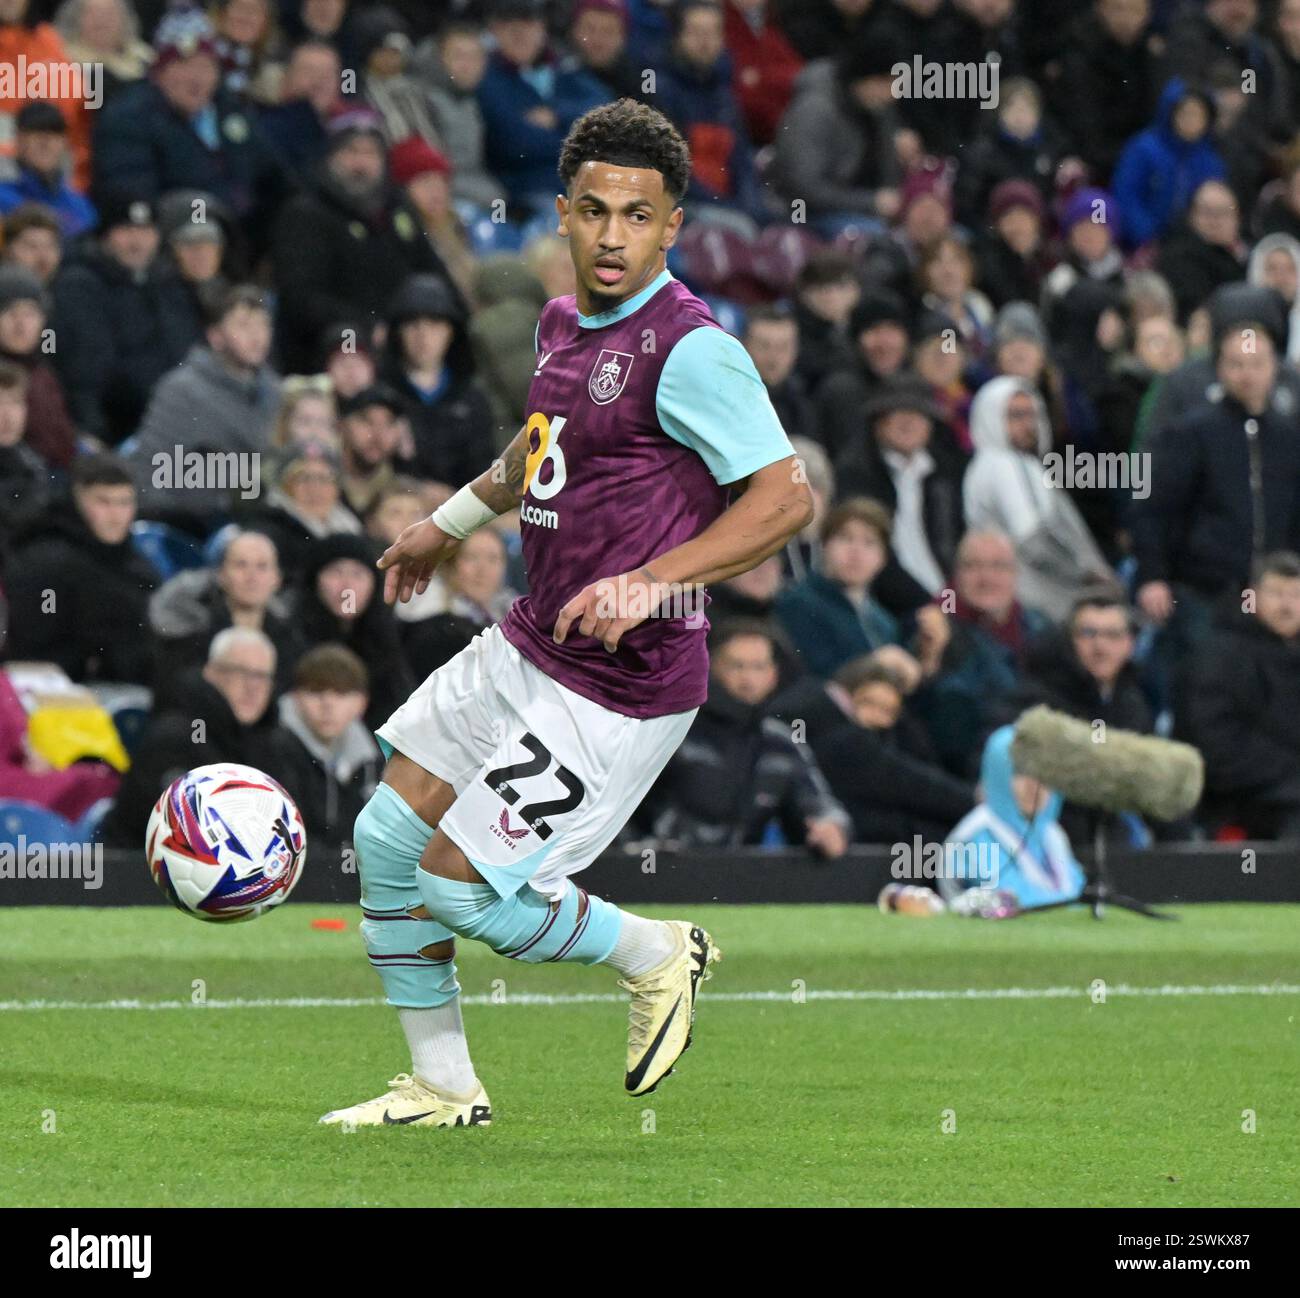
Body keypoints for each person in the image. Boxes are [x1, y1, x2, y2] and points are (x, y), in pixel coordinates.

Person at [320, 99, 812, 1129]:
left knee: (458, 887)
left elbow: (784, 498)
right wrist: (445, 523)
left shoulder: (693, 349)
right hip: (529, 637)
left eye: (637, 215)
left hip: (622, 683)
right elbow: (537, 451)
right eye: (592, 211)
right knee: (384, 839)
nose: (611, 236)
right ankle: (442, 1084)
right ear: (561, 213)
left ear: (673, 223)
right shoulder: (558, 325)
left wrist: (653, 579)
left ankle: (653, 951)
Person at [1132, 321, 1300, 659]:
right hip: (1205, 591)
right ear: (1219, 368)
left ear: (1273, 369)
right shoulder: (1191, 433)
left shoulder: (1289, 438)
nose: (1246, 374)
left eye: (1256, 364)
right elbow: (1154, 506)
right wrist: (1153, 574)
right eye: (1236, 364)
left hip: (1277, 592)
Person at [643, 620, 850, 852]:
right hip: (662, 874)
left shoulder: (781, 742)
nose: (748, 679)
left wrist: (831, 828)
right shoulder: (676, 731)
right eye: (737, 666)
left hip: (742, 878)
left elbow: (818, 804)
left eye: (758, 667)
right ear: (710, 667)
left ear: (773, 675)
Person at [271, 104, 448, 374]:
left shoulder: (396, 209)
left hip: (408, 344)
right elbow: (301, 299)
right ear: (331, 157)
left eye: (370, 153)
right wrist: (370, 327)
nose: (361, 163)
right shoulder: (305, 214)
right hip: (335, 352)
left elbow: (432, 272)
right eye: (351, 151)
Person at [98, 626, 279, 848]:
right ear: (211, 673)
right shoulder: (175, 739)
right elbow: (174, 833)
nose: (253, 687)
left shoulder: (275, 744)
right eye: (240, 672)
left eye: (262, 676)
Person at [47, 192, 201, 444]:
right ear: (106, 235)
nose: (137, 242)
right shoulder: (80, 285)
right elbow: (85, 374)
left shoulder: (169, 282)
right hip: (119, 432)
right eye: (126, 230)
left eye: (145, 231)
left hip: (180, 423)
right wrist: (95, 434)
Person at [963, 375, 1115, 623]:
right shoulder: (1001, 463)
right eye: (1015, 415)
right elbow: (1032, 541)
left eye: (1031, 414)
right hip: (1031, 602)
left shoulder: (1025, 464)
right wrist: (1089, 575)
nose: (1028, 424)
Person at [126, 285, 281, 524]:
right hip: (198, 524)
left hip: (263, 519)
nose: (257, 335)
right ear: (215, 336)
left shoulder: (275, 390)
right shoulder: (182, 390)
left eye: (263, 325)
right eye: (244, 325)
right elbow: (149, 473)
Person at [3, 454, 160, 685]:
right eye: (103, 502)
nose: (115, 516)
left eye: (124, 502)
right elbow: (30, 647)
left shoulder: (138, 566)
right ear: (78, 498)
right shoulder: (44, 561)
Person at [1180, 551, 1300, 838]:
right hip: (1239, 802)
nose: (1286, 605)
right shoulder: (1218, 655)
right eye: (1275, 593)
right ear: (1251, 597)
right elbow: (1216, 746)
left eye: (1296, 595)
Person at [833, 376, 966, 597]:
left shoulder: (943, 476)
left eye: (918, 413)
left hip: (948, 598)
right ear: (878, 422)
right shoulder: (856, 474)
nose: (909, 422)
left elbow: (955, 543)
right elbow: (872, 560)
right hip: (889, 601)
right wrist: (926, 604)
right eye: (898, 412)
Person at [148, 528, 306, 697]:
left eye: (262, 566)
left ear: (277, 578)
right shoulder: (190, 636)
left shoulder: (292, 640)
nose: (252, 577)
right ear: (221, 575)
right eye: (241, 565)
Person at [941, 724, 1085, 910]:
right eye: (1021, 773)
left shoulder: (1052, 833)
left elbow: (1079, 892)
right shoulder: (976, 834)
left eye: (1045, 774)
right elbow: (1015, 899)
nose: (1034, 786)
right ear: (999, 774)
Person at [380, 273, 494, 488]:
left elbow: (483, 469)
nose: (423, 336)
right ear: (397, 332)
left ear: (451, 331)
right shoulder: (381, 394)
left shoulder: (473, 399)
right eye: (412, 324)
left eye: (434, 323)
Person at [266, 644, 383, 850]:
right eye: (315, 691)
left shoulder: (372, 760)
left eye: (341, 692)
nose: (328, 704)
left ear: (362, 702)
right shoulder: (274, 749)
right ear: (296, 697)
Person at [1112, 78, 1225, 249]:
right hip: (1144, 246)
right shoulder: (1144, 149)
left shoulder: (1211, 161)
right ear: (1171, 114)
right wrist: (1146, 237)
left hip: (1194, 248)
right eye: (1186, 113)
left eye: (1199, 115)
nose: (1192, 121)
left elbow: (1217, 204)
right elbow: (1126, 196)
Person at [0, 101, 97, 237]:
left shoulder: (80, 207)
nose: (45, 143)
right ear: (18, 139)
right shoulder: (2, 198)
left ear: (64, 143)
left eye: (54, 134)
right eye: (35, 133)